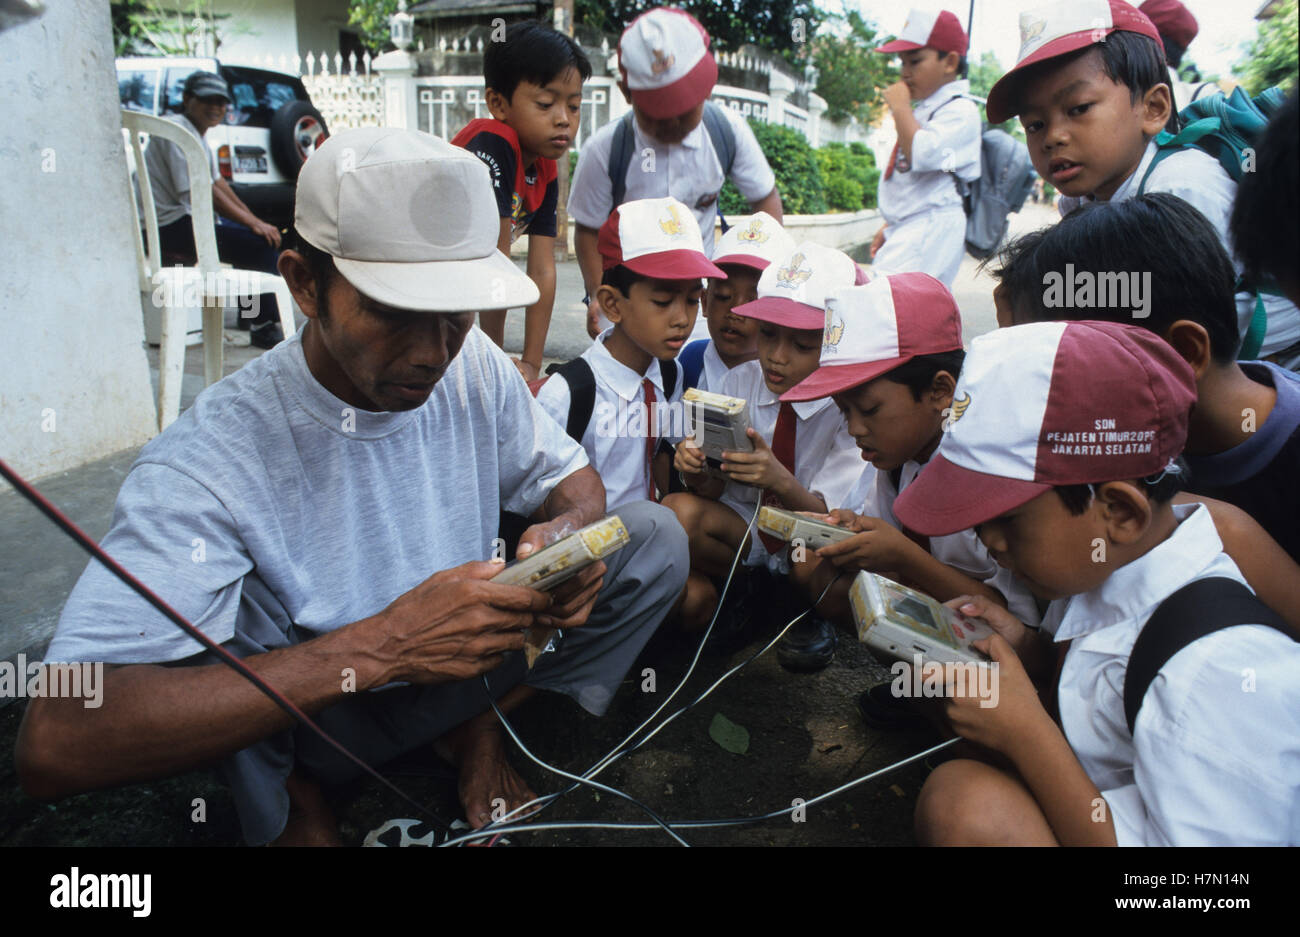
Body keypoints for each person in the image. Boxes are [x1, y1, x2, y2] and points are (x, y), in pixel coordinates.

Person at [17, 128, 689, 846]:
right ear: (305, 283)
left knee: (652, 538)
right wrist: (385, 646)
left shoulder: (473, 368)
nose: (434, 353)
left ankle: (477, 727)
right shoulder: (207, 458)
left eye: (456, 313)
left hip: (467, 674)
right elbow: (54, 740)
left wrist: (568, 536)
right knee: (228, 606)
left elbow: (571, 477)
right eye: (395, 313)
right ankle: (292, 803)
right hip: (318, 720)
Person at [893, 320, 1300, 846]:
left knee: (964, 807)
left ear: (1120, 512)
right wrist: (1029, 649)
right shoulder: (1103, 568)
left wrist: (1027, 735)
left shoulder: (1214, 675)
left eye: (1008, 521)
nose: (987, 541)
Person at [989, 194, 1300, 575]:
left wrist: (1216, 529)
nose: (1043, 394)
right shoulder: (1115, 439)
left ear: (1182, 354)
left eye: (1060, 369)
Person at [984, 0, 1300, 365]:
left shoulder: (1181, 188)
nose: (1053, 137)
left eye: (1078, 108)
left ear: (1153, 109)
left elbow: (1172, 325)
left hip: (1271, 367)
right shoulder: (1083, 200)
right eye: (1035, 125)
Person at [779, 274, 1039, 679]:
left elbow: (1019, 623)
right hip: (947, 608)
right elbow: (886, 536)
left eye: (868, 409)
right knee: (817, 568)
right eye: (844, 411)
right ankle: (918, 691)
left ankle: (954, 708)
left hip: (1009, 644)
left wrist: (901, 554)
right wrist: (854, 533)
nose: (854, 429)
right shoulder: (900, 457)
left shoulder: (989, 469)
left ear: (940, 391)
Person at [664, 242, 865, 671]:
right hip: (747, 528)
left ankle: (804, 610)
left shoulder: (849, 409)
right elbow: (717, 486)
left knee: (810, 558)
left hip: (808, 538)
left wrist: (778, 479)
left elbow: (831, 519)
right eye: (769, 334)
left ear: (835, 341)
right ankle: (748, 591)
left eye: (803, 344)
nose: (777, 356)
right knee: (677, 514)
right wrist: (697, 473)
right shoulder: (740, 382)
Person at [569, 6, 783, 339]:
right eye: (658, 113)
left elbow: (765, 200)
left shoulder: (727, 132)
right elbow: (587, 231)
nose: (672, 123)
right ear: (628, 95)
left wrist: (764, 281)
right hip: (632, 302)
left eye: (683, 111)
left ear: (706, 89)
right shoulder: (606, 149)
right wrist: (600, 293)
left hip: (699, 298)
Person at [536, 196, 722, 508]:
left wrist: (694, 465)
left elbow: (668, 459)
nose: (682, 319)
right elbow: (534, 496)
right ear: (612, 304)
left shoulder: (668, 373)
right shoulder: (568, 394)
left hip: (647, 537)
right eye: (663, 302)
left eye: (692, 300)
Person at [451, 21, 592, 382]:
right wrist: (495, 361)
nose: (564, 119)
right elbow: (493, 262)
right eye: (546, 104)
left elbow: (542, 270)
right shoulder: (492, 143)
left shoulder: (544, 167)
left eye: (574, 107)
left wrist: (532, 364)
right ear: (498, 102)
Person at [144, 70, 287, 349]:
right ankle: (261, 324)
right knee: (258, 246)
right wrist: (255, 225)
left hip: (187, 220)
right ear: (187, 99)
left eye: (221, 102)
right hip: (171, 226)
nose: (216, 108)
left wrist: (252, 220)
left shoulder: (195, 135)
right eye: (207, 100)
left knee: (253, 234)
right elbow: (202, 192)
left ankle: (251, 314)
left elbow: (218, 183)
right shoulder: (179, 132)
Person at [868, 8, 980, 289]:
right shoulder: (929, 110)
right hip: (912, 224)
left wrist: (900, 107)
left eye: (915, 62)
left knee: (890, 304)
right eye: (902, 63)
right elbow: (913, 183)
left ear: (950, 62)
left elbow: (923, 154)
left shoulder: (961, 110)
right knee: (895, 309)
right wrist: (891, 222)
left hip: (932, 224)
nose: (905, 73)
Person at [677, 211, 795, 392]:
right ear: (705, 301)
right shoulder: (690, 362)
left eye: (753, 301)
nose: (735, 312)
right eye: (723, 296)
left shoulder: (785, 383)